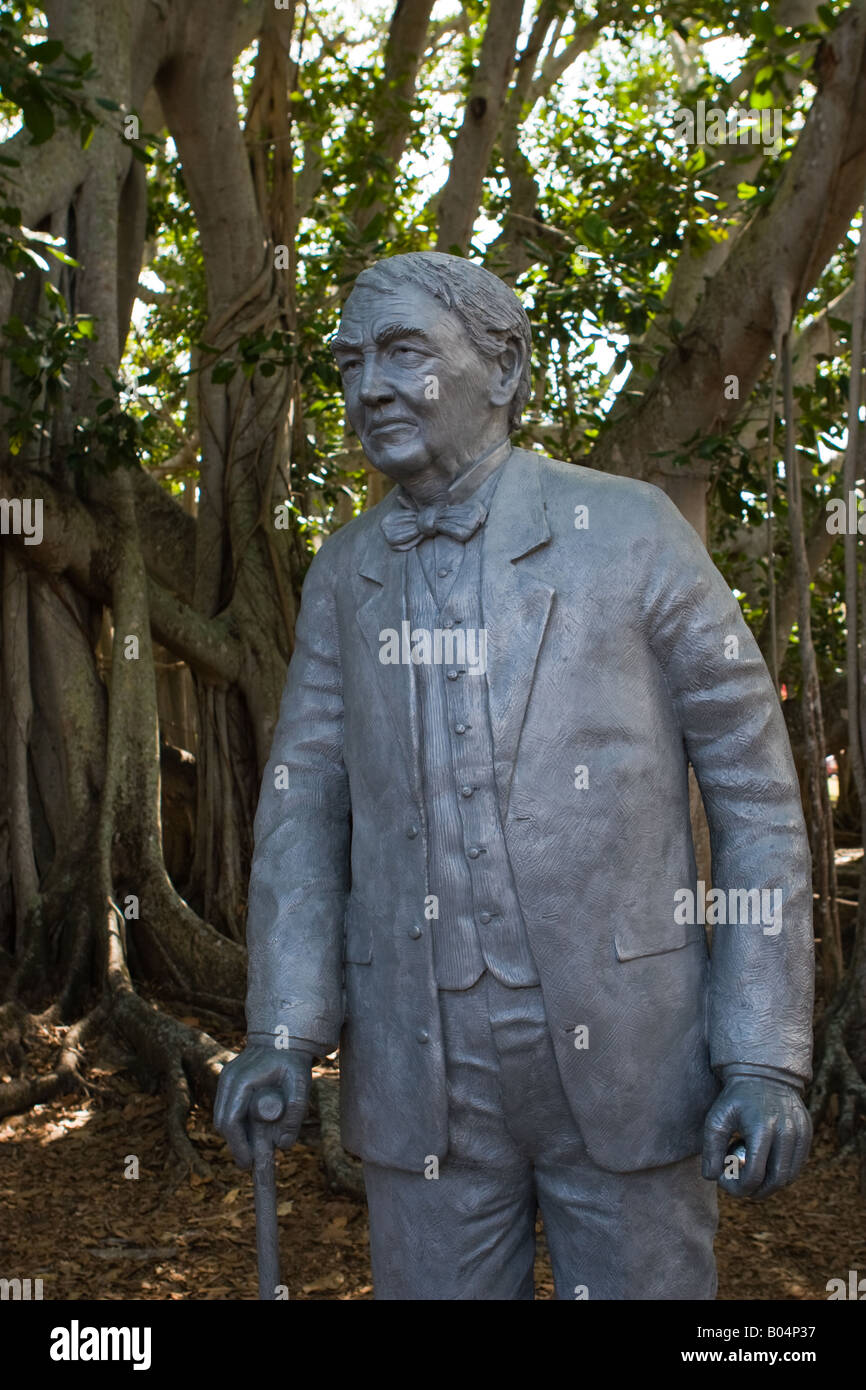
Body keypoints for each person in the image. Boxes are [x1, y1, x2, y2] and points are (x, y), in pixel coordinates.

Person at [215, 251, 814, 1300]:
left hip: (631, 1052)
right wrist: (282, 1031)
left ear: (503, 367)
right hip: (419, 1060)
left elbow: (755, 796)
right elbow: (302, 809)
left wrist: (762, 1055)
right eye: (351, 361)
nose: (367, 387)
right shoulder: (344, 574)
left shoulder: (631, 535)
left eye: (403, 352)